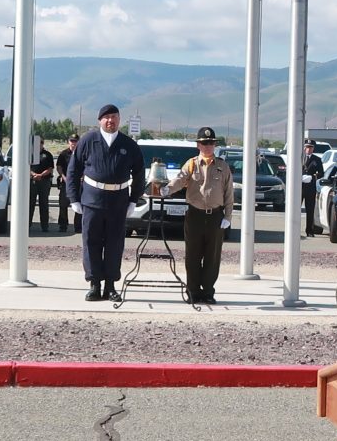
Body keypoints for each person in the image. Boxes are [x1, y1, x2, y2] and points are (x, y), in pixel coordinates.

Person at [67, 104, 145, 302]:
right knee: (91, 242)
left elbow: (139, 175)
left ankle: (110, 286)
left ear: (119, 120)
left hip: (118, 202)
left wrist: (133, 200)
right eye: (106, 117)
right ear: (100, 120)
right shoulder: (87, 141)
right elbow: (73, 171)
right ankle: (94, 284)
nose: (110, 120)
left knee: (114, 244)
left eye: (114, 117)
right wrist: (74, 198)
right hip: (92, 201)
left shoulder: (129, 145)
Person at [159, 127, 235, 304]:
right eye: (204, 143)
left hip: (215, 216)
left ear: (215, 145)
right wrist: (167, 189)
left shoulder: (222, 167)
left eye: (211, 143)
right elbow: (180, 180)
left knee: (212, 256)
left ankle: (208, 292)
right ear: (198, 145)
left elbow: (229, 194)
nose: (208, 146)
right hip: (195, 216)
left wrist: (228, 217)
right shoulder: (191, 163)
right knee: (192, 255)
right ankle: (193, 291)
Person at [29, 139, 55, 232]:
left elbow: (50, 168)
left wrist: (41, 175)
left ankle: (45, 226)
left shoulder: (47, 155)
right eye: (36, 143)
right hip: (32, 181)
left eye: (40, 143)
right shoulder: (30, 154)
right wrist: (33, 174)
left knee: (43, 204)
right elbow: (26, 166)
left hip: (44, 181)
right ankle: (28, 225)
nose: (39, 145)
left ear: (42, 144)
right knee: (30, 204)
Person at [301, 143, 326, 236]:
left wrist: (313, 177)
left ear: (313, 148)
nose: (308, 149)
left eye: (310, 147)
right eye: (307, 147)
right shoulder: (299, 157)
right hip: (299, 187)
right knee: (295, 209)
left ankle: (309, 230)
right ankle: (294, 229)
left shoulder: (317, 159)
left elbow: (321, 173)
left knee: (310, 210)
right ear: (304, 148)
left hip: (310, 187)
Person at [56, 133, 78, 233]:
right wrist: (63, 177)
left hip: (78, 183)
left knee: (79, 205)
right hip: (66, 182)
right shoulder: (64, 154)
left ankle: (78, 227)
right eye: (71, 141)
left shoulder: (82, 153)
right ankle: (63, 225)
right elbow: (59, 166)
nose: (73, 143)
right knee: (63, 205)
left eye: (75, 141)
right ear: (68, 142)